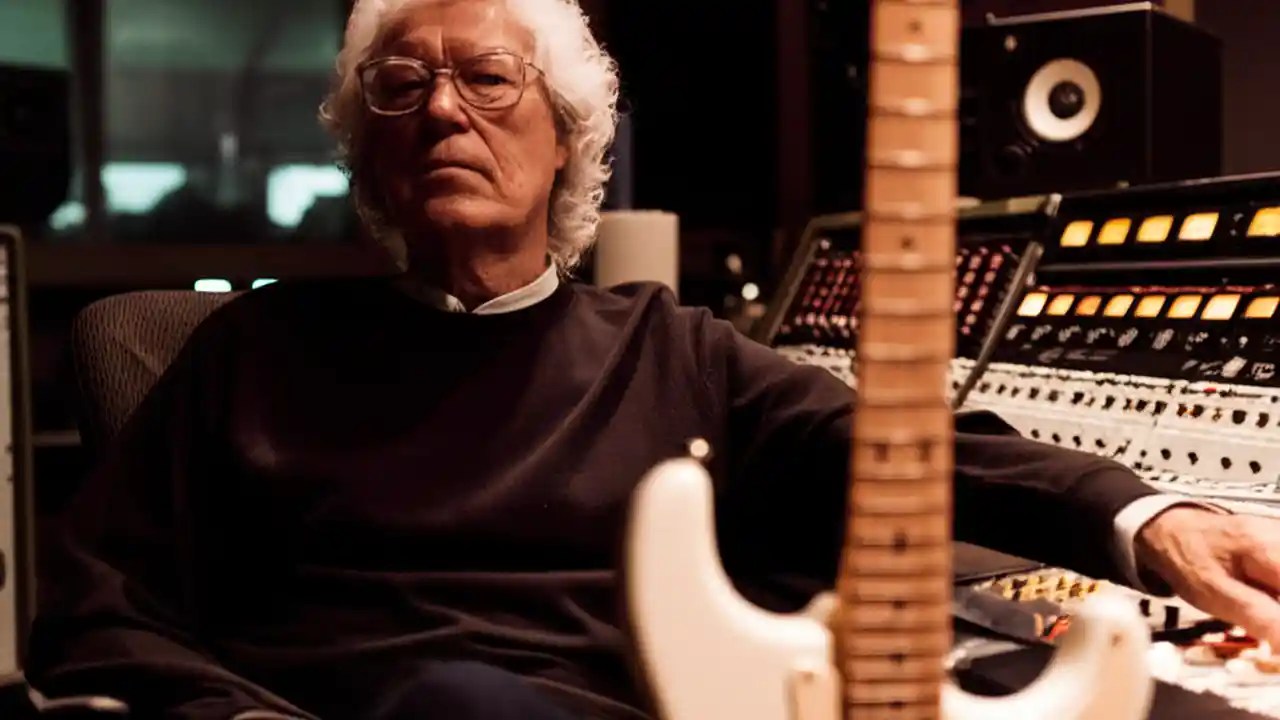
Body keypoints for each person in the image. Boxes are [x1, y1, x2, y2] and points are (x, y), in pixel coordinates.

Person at [24, 0, 1280, 718]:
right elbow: (92, 608)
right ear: (368, 156)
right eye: (401, 90)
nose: (445, 111)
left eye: (487, 79)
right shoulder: (248, 349)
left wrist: (1146, 518)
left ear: (572, 140)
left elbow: (907, 451)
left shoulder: (674, 353)